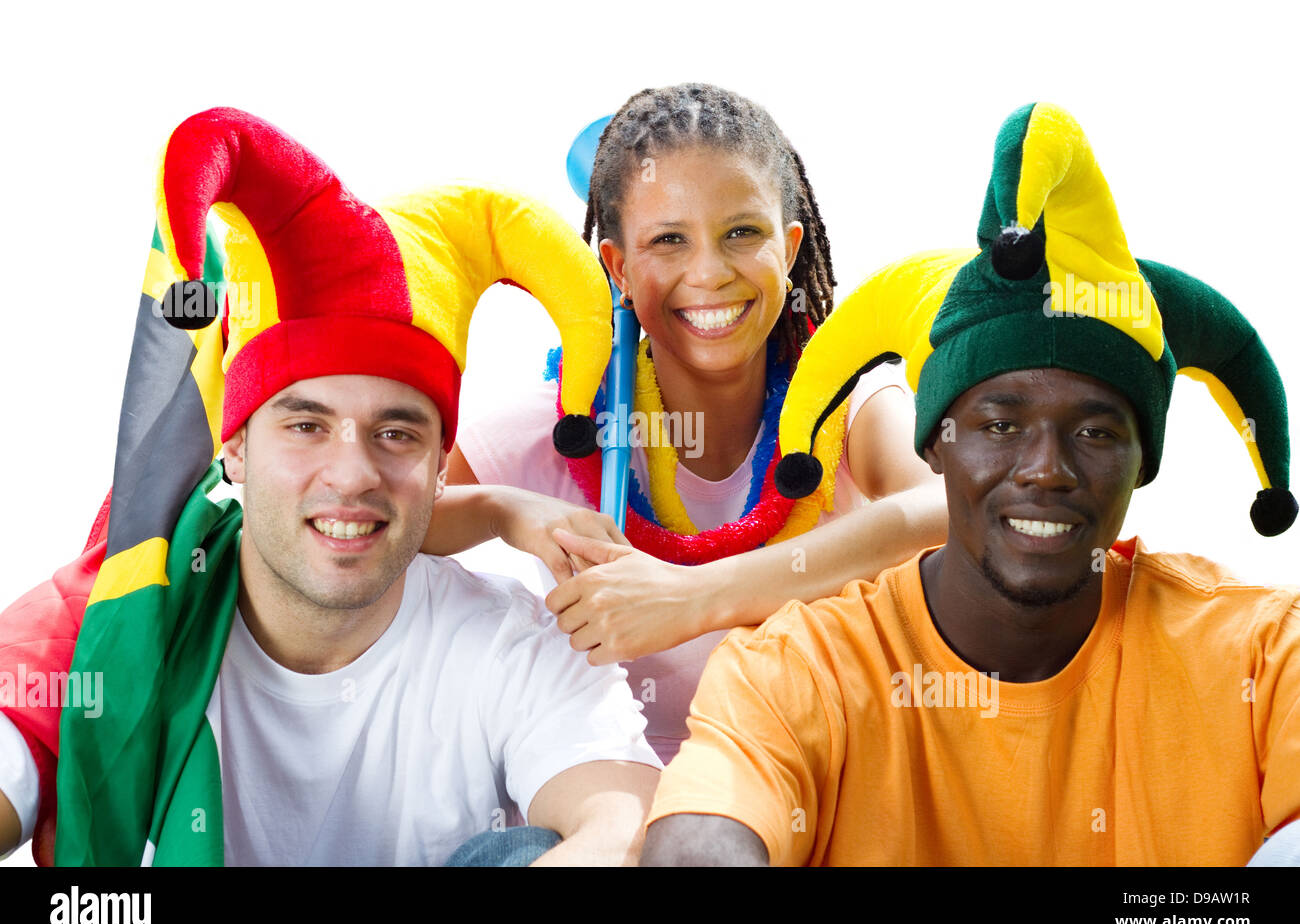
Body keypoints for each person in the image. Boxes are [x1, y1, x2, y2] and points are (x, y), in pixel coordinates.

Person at [639, 102, 1300, 866]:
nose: (1046, 469)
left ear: (1140, 463)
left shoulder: (1261, 654)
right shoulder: (799, 672)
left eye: (1094, 433)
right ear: (936, 451)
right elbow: (704, 831)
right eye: (999, 425)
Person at [0, 107, 660, 867]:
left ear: (442, 461)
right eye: (307, 425)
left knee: (523, 851)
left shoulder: (508, 642)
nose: (352, 473)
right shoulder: (124, 611)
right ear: (236, 448)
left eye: (396, 433)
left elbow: (626, 823)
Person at [424, 83, 949, 763]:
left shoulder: (847, 407)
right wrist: (500, 510)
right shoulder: (567, 421)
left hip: (813, 805)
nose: (708, 272)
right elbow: (389, 520)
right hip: (602, 814)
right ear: (616, 267)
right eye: (668, 240)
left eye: (742, 233)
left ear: (789, 250)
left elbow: (949, 504)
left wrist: (693, 597)